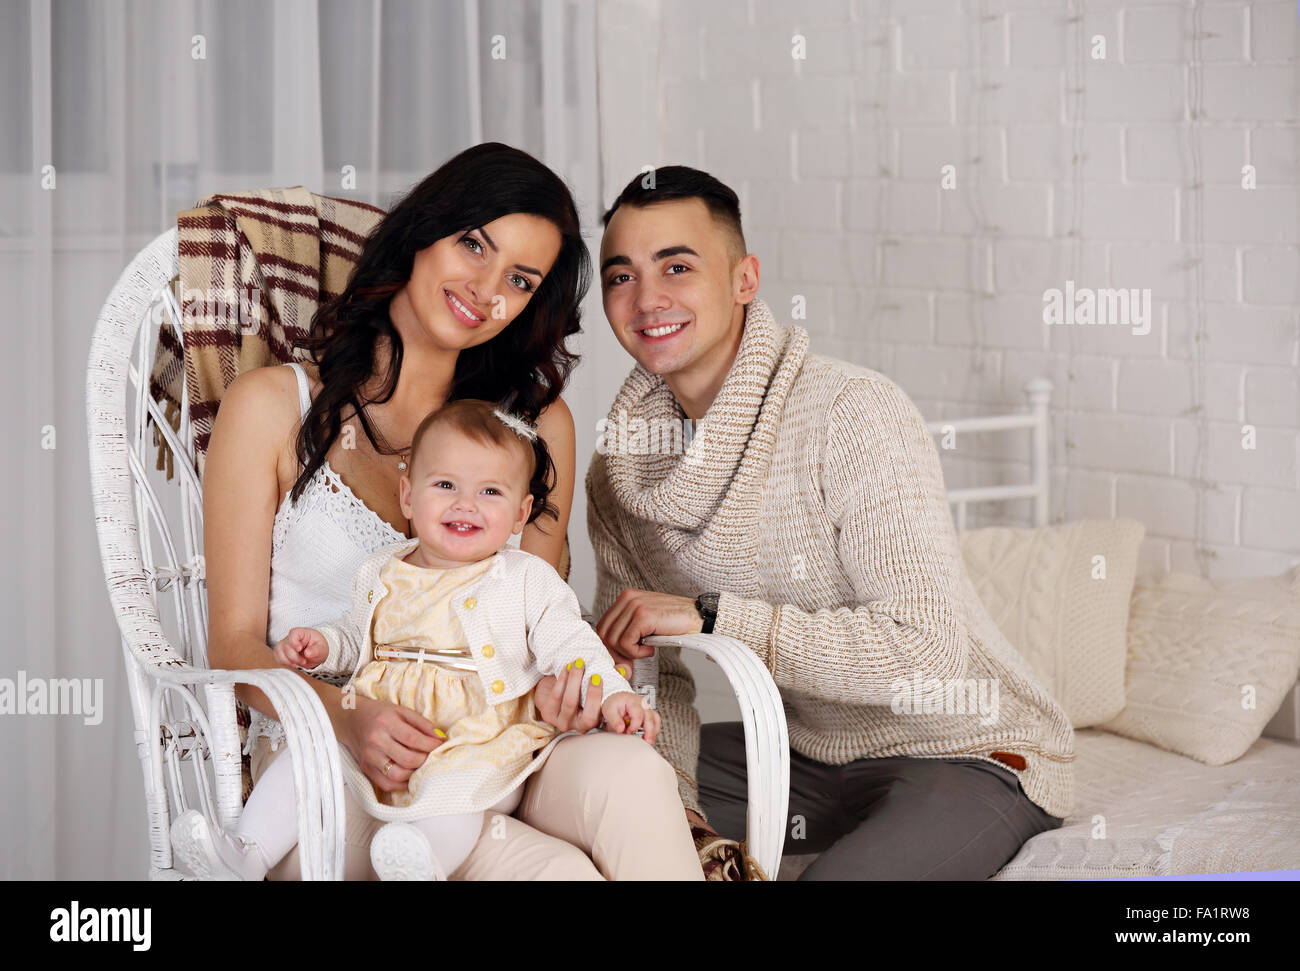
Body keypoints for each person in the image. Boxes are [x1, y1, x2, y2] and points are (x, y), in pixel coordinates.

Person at [203, 142, 700, 880]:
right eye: (474, 243)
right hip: (332, 762)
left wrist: (566, 693)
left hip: (493, 753)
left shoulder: (533, 429)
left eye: (520, 279)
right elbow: (233, 647)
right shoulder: (274, 407)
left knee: (635, 776)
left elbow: (529, 620)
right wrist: (345, 717)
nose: (486, 288)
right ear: (422, 230)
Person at [584, 165, 1076, 879]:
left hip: (965, 746)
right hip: (802, 751)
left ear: (744, 279)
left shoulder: (850, 413)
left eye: (677, 266)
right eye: (620, 276)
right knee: (589, 785)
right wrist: (681, 812)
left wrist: (713, 615)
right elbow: (646, 681)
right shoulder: (621, 474)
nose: (647, 298)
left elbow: (925, 649)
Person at [176, 400, 659, 880]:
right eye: (445, 485)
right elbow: (359, 632)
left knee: (453, 799)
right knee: (307, 761)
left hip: (472, 743)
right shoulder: (383, 569)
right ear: (409, 496)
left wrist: (615, 692)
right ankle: (244, 854)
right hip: (377, 731)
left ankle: (418, 866)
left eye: (490, 491)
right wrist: (324, 645)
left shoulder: (525, 579)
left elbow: (571, 642)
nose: (465, 503)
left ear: (520, 513)